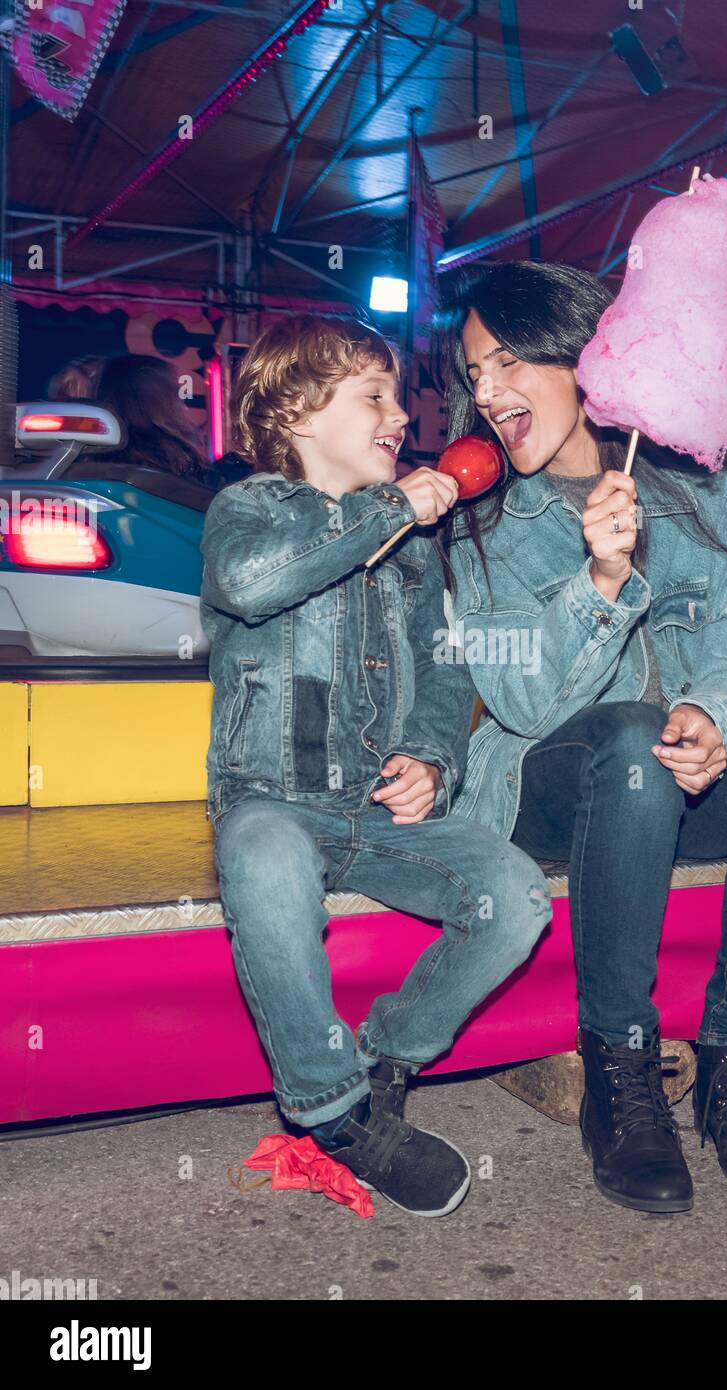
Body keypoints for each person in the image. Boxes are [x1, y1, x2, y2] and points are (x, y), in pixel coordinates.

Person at [439, 261, 727, 1215]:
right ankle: (620, 1071)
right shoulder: (484, 513)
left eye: (506, 362)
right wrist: (595, 579)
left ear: (590, 360)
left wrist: (714, 716)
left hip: (686, 789)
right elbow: (519, 697)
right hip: (557, 791)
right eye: (473, 373)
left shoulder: (703, 491)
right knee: (628, 742)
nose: (486, 390)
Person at [200, 314, 552, 1218]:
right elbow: (253, 584)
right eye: (374, 396)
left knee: (511, 895)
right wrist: (392, 507)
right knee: (264, 858)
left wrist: (432, 755)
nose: (403, 414)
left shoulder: (415, 555)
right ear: (297, 412)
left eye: (399, 394)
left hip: (377, 812)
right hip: (272, 800)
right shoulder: (249, 511)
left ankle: (386, 1055)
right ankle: (333, 1109)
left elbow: (446, 666)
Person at [97, 354, 210, 484]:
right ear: (158, 402)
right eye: (174, 394)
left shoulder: (93, 454)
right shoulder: (171, 456)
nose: (183, 407)